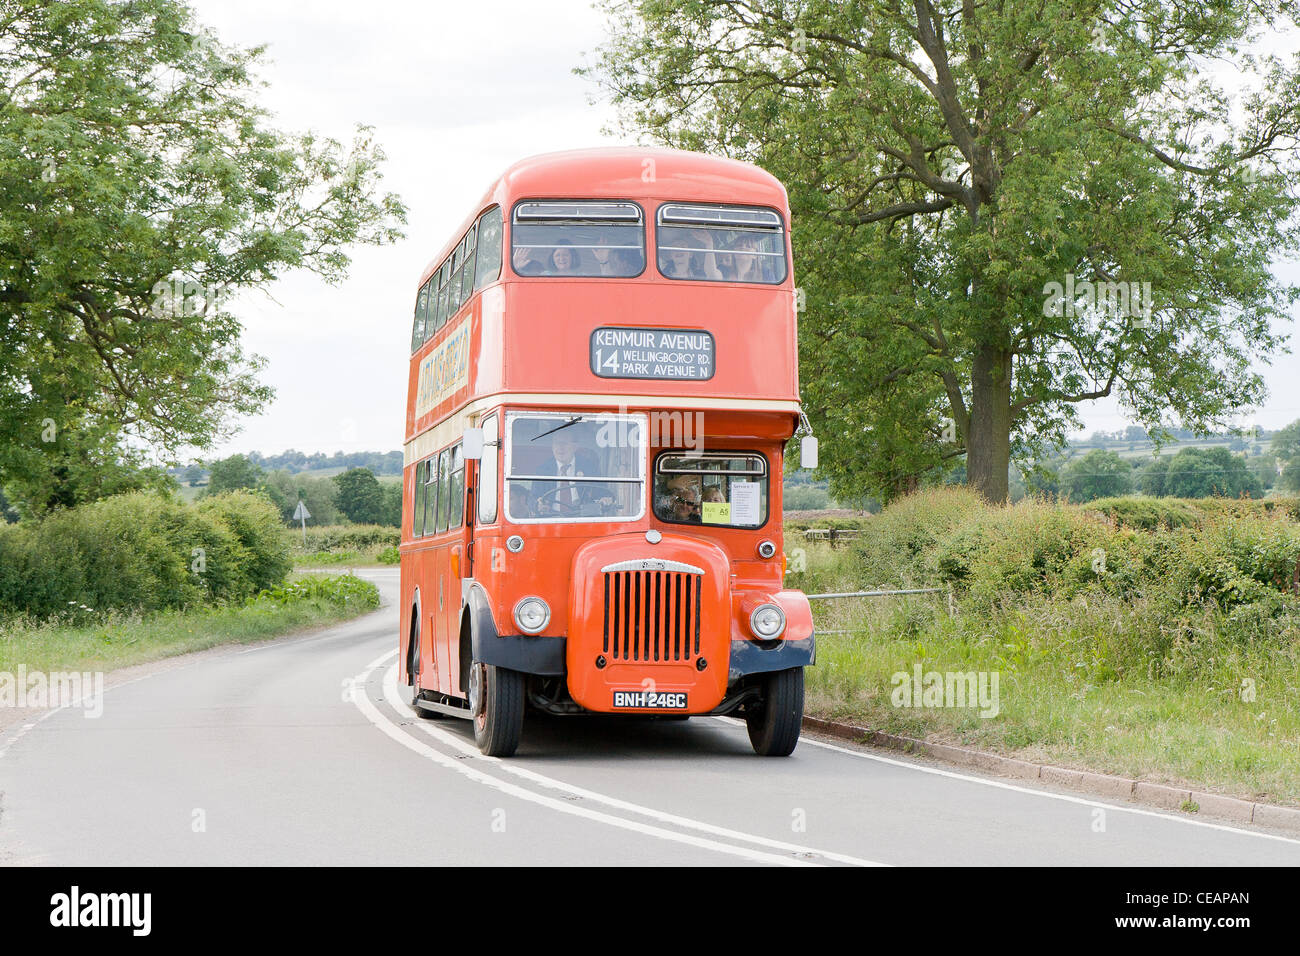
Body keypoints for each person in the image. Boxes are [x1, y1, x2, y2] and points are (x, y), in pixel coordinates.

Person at [532, 430, 613, 515]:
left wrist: (604, 499)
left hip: (583, 518)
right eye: (556, 443)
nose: (560, 447)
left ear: (575, 447)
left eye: (564, 443)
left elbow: (603, 492)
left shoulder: (589, 467)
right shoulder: (543, 470)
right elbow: (533, 498)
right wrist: (538, 505)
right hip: (551, 518)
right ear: (552, 446)